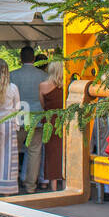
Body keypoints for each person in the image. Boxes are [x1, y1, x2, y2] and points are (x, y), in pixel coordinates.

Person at [11, 46, 47, 194]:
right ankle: (31, 186)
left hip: (18, 118)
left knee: (13, 151)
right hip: (37, 118)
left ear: (20, 58)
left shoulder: (13, 75)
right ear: (34, 59)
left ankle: (12, 182)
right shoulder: (43, 76)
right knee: (34, 152)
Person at [0, 59, 22, 196]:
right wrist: (18, 125)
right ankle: (7, 189)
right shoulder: (12, 87)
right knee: (8, 157)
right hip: (8, 124)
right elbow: (18, 107)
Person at [40, 61, 65, 189]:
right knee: (64, 152)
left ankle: (53, 184)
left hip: (49, 121)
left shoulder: (43, 86)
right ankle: (65, 182)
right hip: (64, 121)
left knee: (51, 153)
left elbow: (43, 105)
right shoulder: (66, 86)